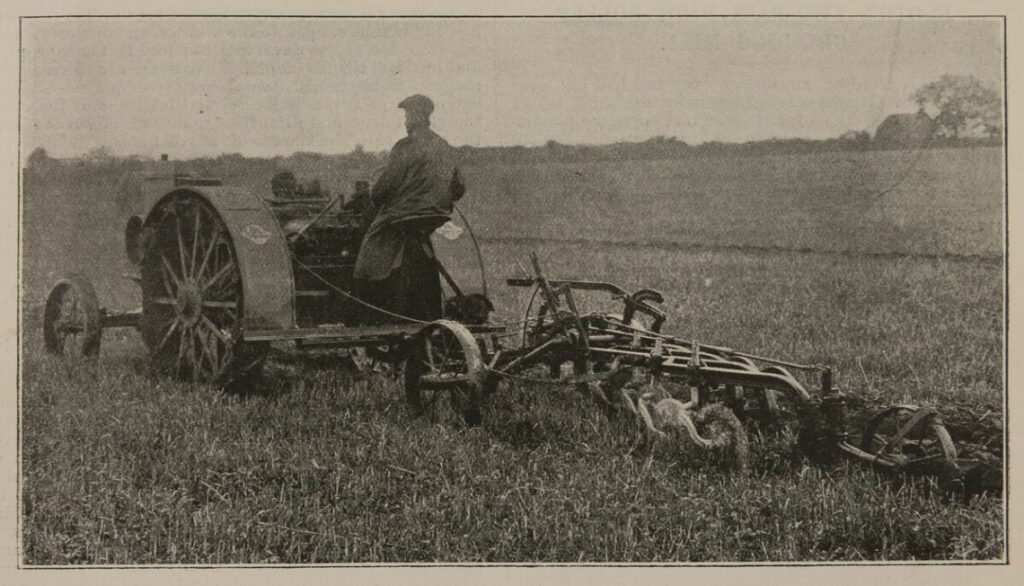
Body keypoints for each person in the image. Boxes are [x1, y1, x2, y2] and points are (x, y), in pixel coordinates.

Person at [353, 94, 465, 323]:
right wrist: (441, 200)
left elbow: (386, 185)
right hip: (436, 215)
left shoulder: (405, 146)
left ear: (416, 116)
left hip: (403, 215)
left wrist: (374, 198)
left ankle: (369, 303)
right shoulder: (446, 147)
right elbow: (459, 186)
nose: (405, 122)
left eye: (406, 116)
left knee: (369, 246)